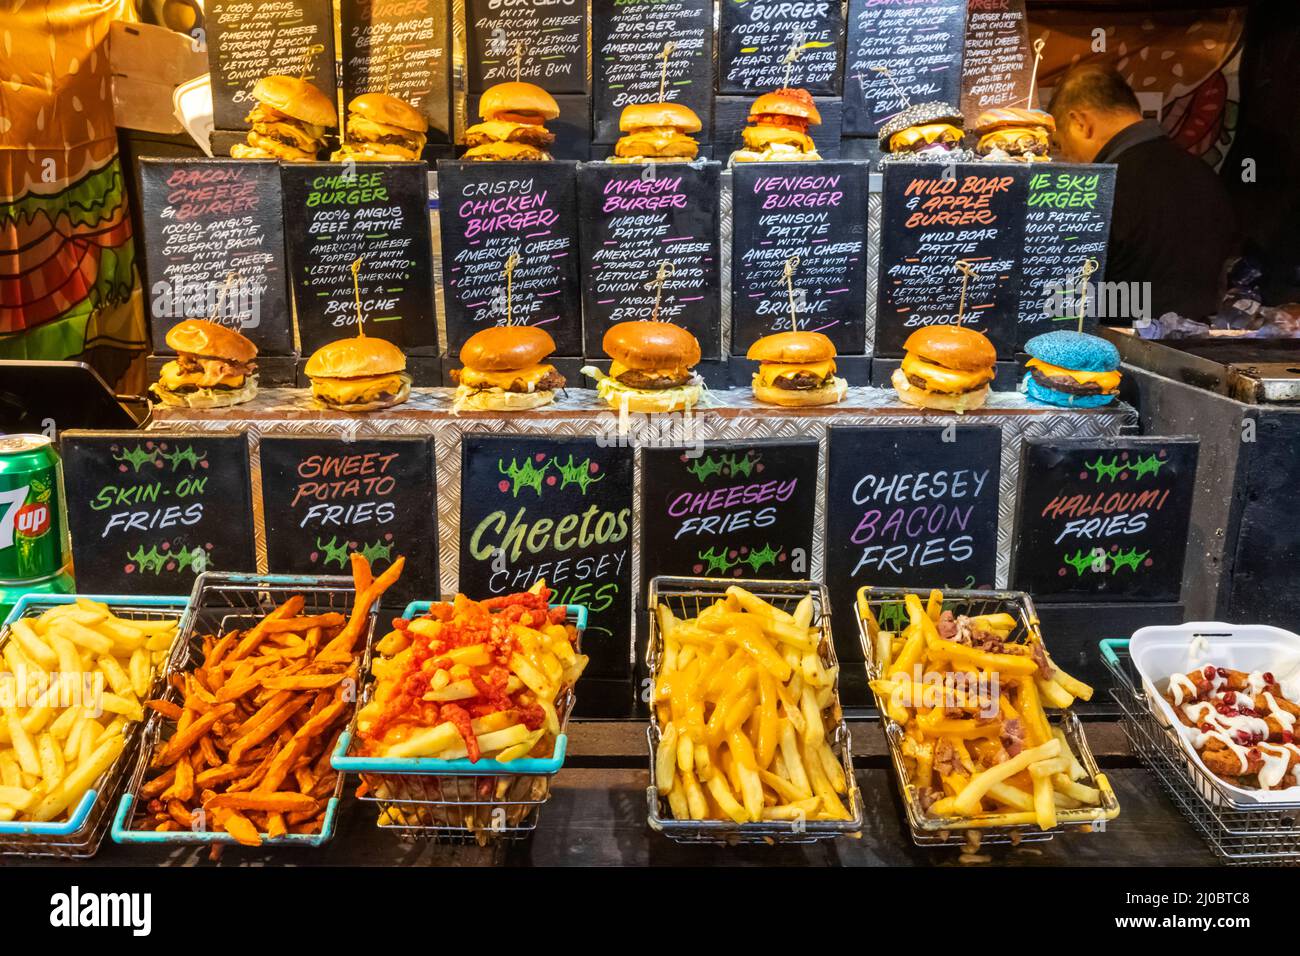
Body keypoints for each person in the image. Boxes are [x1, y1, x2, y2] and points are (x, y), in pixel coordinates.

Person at [1049, 64, 1237, 324]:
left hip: (1115, 354)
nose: (1066, 157)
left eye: (1060, 143)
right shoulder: (1204, 174)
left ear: (1080, 123)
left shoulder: (1098, 190)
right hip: (1198, 347)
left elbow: (1068, 300)